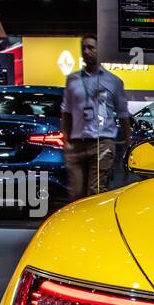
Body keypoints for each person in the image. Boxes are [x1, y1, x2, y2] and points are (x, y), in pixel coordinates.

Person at [61, 34, 131, 200]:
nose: (86, 51)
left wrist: (127, 141)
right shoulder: (72, 80)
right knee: (76, 195)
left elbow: (123, 114)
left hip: (102, 144)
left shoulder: (113, 81)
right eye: (83, 48)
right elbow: (66, 112)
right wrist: (67, 141)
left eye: (91, 47)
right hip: (77, 145)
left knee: (95, 192)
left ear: (100, 50)